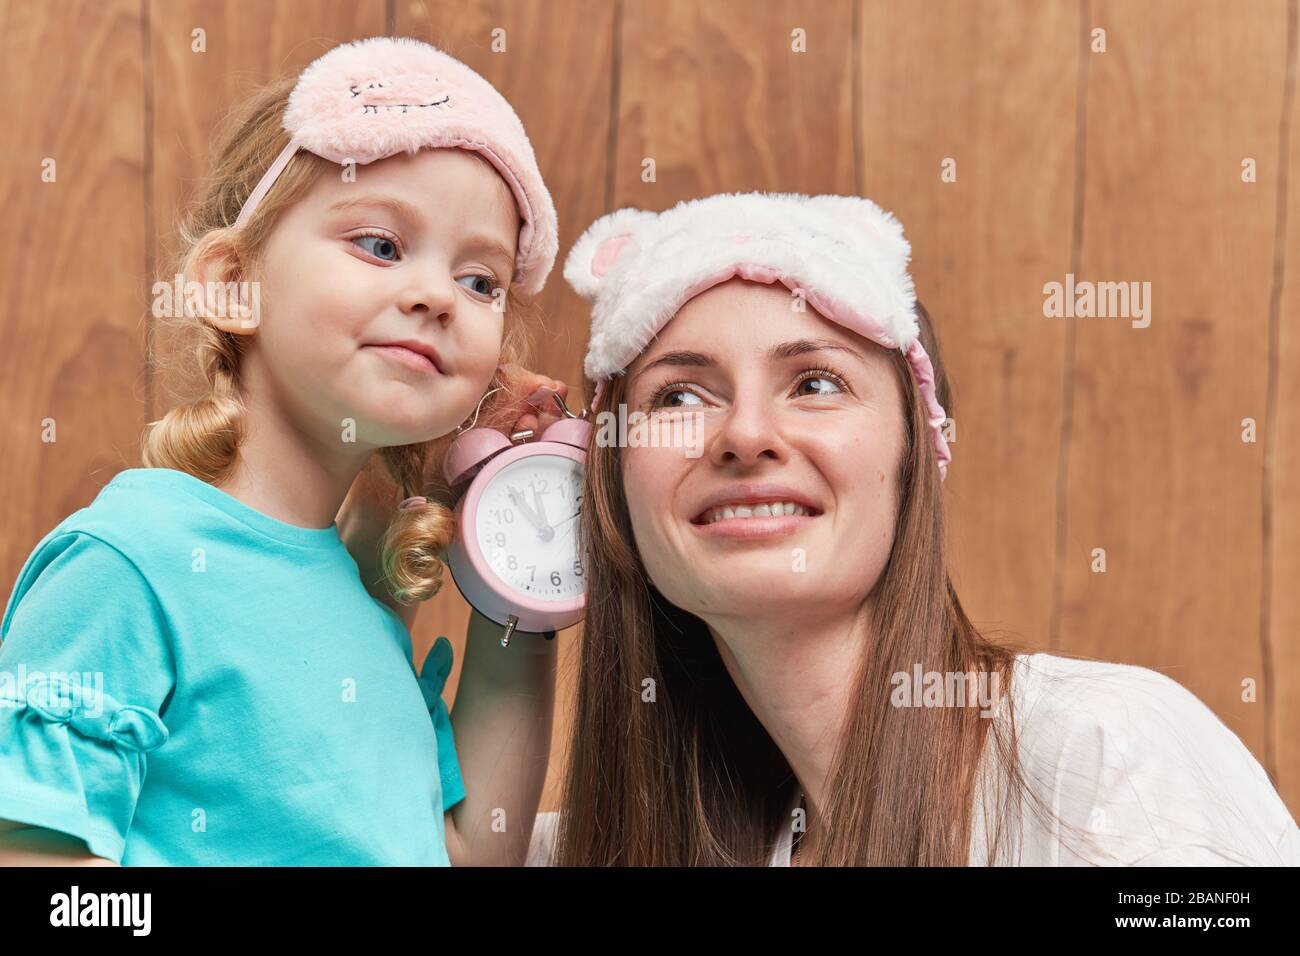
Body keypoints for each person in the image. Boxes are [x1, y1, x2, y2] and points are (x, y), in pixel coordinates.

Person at [526, 191, 1300, 866]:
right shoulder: (629, 838)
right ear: (612, 479)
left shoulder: (1100, 755)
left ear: (916, 455)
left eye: (815, 382)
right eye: (679, 398)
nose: (745, 434)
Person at [0, 36, 564, 866]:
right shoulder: (129, 565)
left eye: (482, 281)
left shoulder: (361, 598)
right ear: (232, 282)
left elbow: (475, 851)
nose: (437, 296)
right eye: (379, 244)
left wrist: (524, 574)